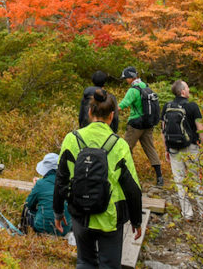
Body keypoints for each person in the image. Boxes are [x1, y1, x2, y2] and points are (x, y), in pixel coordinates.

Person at [53, 88, 142, 269]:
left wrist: (58, 212)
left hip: (80, 214)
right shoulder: (119, 145)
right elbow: (132, 187)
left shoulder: (71, 139)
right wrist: (136, 220)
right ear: (112, 116)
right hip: (110, 216)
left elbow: (61, 179)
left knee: (85, 262)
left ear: (89, 112)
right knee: (109, 265)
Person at [162, 80, 203, 221]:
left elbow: (163, 129)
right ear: (183, 91)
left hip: (173, 149)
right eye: (187, 88)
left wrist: (166, 149)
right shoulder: (192, 106)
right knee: (196, 179)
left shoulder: (167, 106)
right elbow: (200, 128)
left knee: (180, 181)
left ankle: (187, 214)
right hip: (191, 148)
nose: (189, 90)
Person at [118, 66, 163, 186]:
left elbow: (122, 105)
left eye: (126, 78)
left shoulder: (133, 90)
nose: (126, 80)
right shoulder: (145, 86)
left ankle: (127, 176)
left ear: (130, 77)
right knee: (150, 148)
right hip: (148, 124)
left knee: (125, 149)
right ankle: (159, 177)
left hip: (135, 125)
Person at [23, 153, 71, 236]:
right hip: (65, 228)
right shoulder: (68, 183)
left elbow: (29, 204)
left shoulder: (40, 184)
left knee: (26, 208)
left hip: (42, 228)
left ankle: (24, 232)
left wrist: (35, 188)